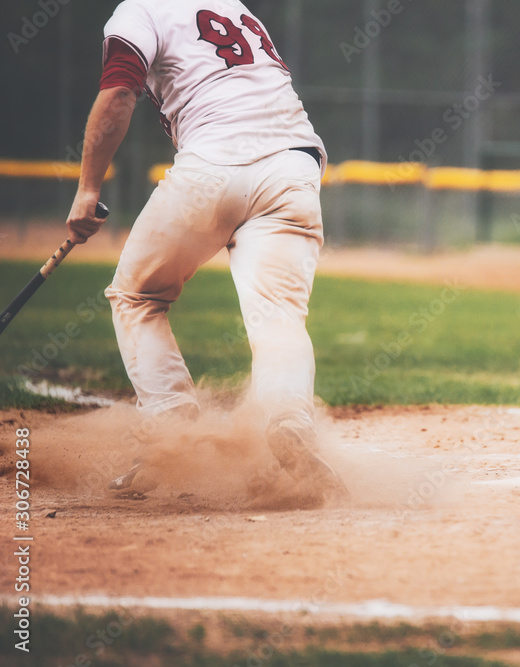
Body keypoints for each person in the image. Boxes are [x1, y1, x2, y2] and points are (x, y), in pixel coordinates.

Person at [65, 0, 343, 499]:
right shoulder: (232, 6)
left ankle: (172, 433)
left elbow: (119, 94)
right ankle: (290, 421)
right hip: (294, 167)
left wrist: (88, 188)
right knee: (279, 317)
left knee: (138, 298)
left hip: (212, 166)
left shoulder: (137, 11)